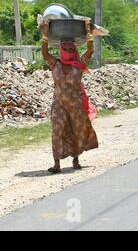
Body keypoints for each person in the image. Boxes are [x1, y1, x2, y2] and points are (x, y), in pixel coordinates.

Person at [41, 19, 99, 174]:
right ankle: (56, 164)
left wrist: (87, 30)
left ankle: (76, 159)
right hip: (59, 105)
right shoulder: (55, 64)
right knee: (57, 130)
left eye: (70, 48)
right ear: (60, 50)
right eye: (64, 48)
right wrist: (46, 32)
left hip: (76, 106)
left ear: (74, 51)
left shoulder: (79, 65)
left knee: (76, 132)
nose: (67, 50)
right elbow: (45, 53)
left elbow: (90, 50)